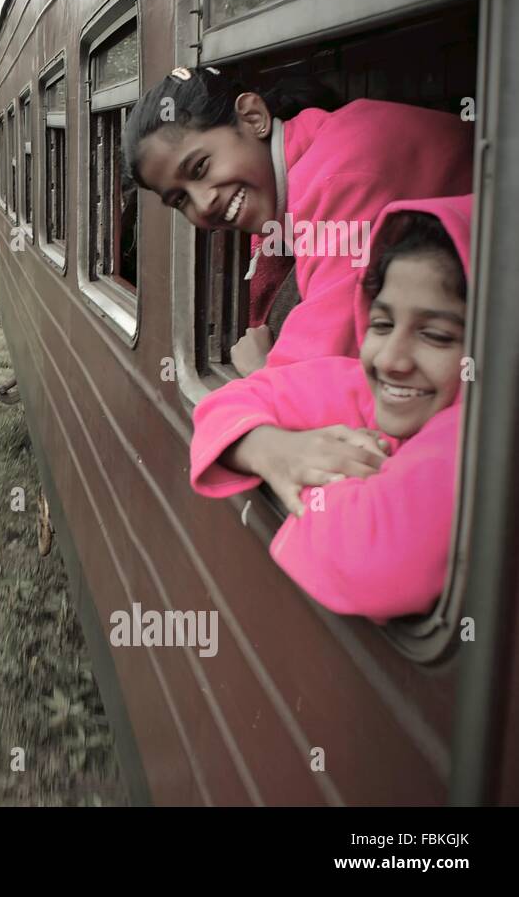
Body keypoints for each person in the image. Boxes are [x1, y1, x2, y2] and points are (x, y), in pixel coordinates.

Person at [187, 195, 472, 622]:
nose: (392, 359)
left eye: (436, 335)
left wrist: (321, 480)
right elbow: (223, 406)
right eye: (381, 324)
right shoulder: (369, 388)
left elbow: (374, 561)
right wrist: (275, 451)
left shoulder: (477, 438)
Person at [123, 66, 473, 375]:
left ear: (252, 117)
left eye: (200, 168)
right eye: (180, 199)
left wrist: (261, 368)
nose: (204, 202)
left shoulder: (338, 177)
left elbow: (317, 372)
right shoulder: (313, 162)